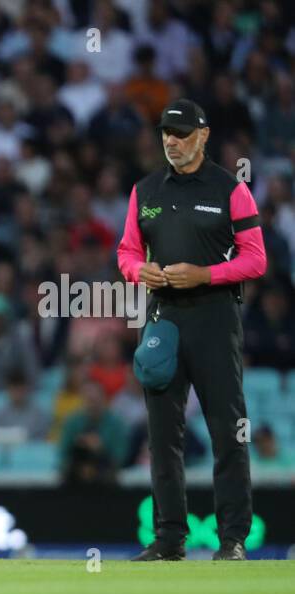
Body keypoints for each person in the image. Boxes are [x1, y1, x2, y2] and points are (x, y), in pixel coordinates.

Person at [116, 99, 267, 560]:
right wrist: (141, 272)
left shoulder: (230, 188)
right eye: (165, 133)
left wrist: (205, 275)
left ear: (203, 136)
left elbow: (256, 258)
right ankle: (168, 539)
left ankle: (233, 538)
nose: (171, 141)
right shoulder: (145, 191)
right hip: (164, 318)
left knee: (227, 430)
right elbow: (125, 252)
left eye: (181, 134)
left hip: (216, 318)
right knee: (162, 434)